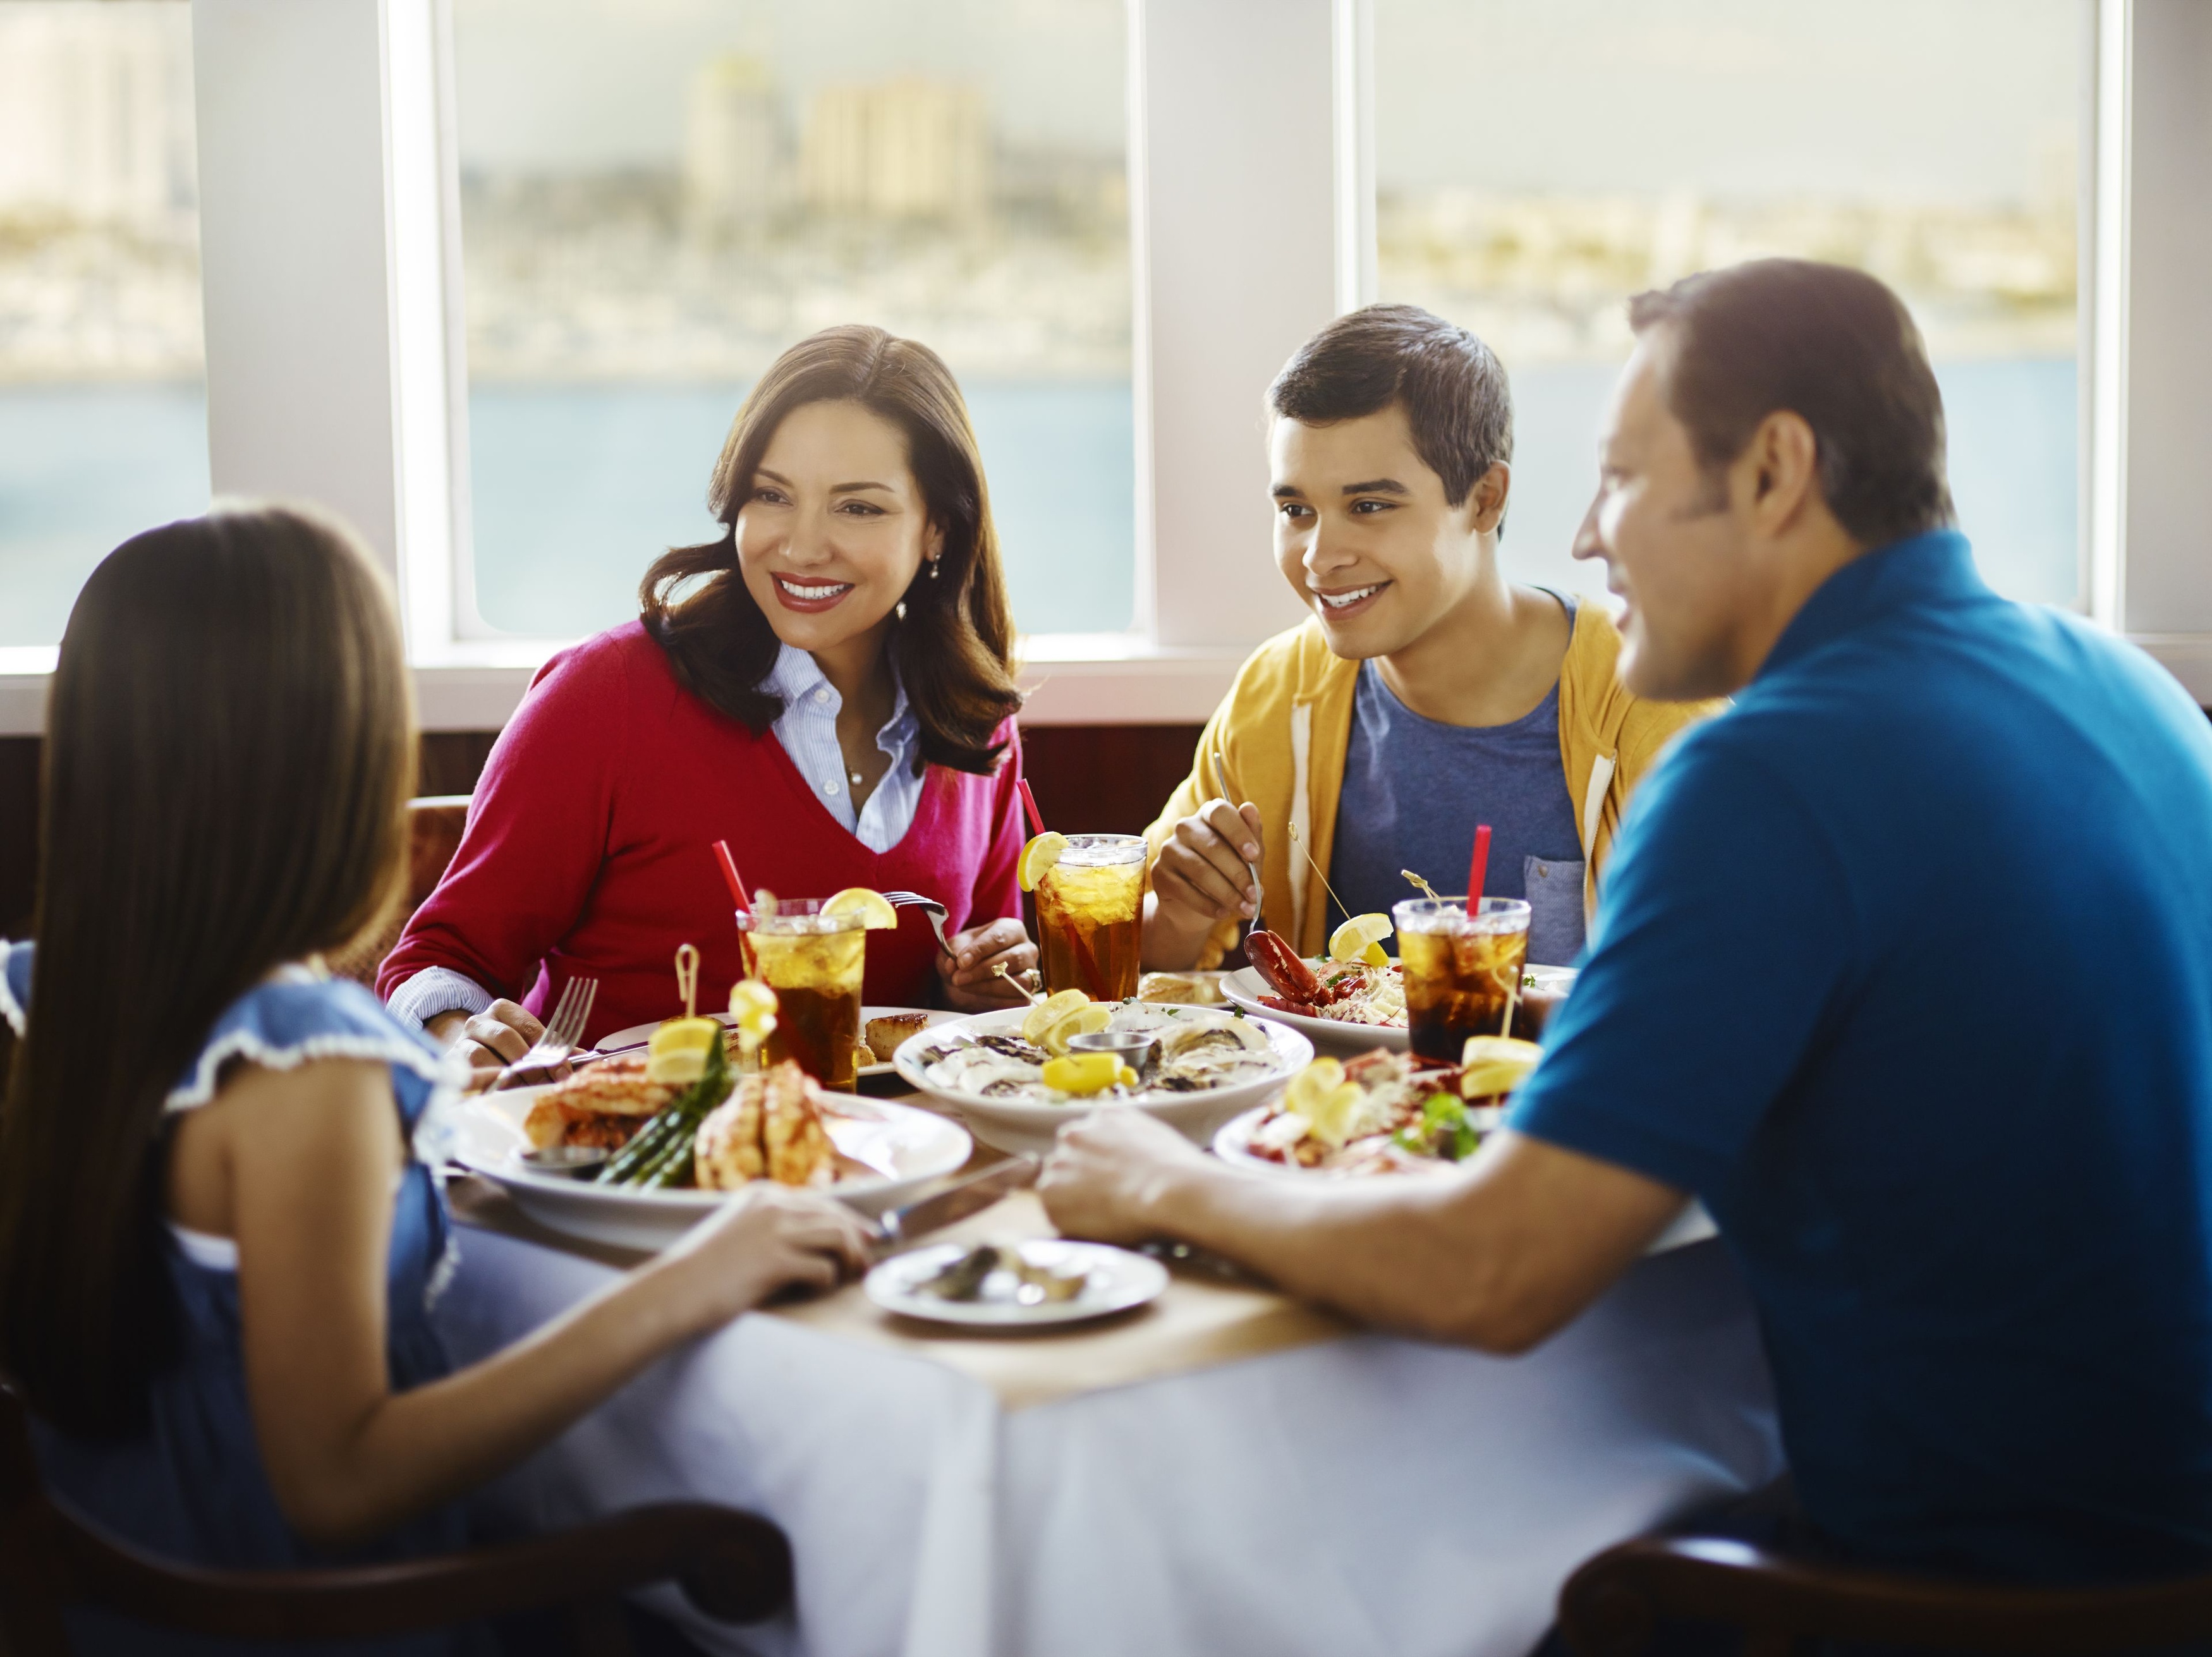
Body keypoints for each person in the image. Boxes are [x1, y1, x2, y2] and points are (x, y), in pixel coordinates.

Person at [1043, 259, 2212, 1582]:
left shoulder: (1769, 773)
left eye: (1623, 478)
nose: (1589, 535)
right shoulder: (2134, 689)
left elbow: (1498, 1272)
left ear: (1774, 472)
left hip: (1980, 1581)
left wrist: (1166, 1181)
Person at [0, 507, 873, 1654]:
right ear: (341, 757)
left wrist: (427, 1091)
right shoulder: (309, 1067)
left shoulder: (43, 998)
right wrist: (695, 1279)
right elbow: (340, 1478)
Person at [379, 326, 1038, 1081]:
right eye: (772, 495)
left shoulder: (974, 722)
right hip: (630, 1167)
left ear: (938, 532)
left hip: (890, 1166)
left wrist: (987, 979)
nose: (801, 545)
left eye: (858, 509)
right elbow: (433, 964)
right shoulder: (607, 696)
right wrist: (457, 1040)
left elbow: (981, 994)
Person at [1142, 303, 1712, 974]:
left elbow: (1731, 986)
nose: (1319, 557)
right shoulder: (1277, 694)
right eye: (1296, 510)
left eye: (1368, 506)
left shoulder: (1648, 705)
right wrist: (1178, 913)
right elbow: (1142, 983)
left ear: (1483, 500)